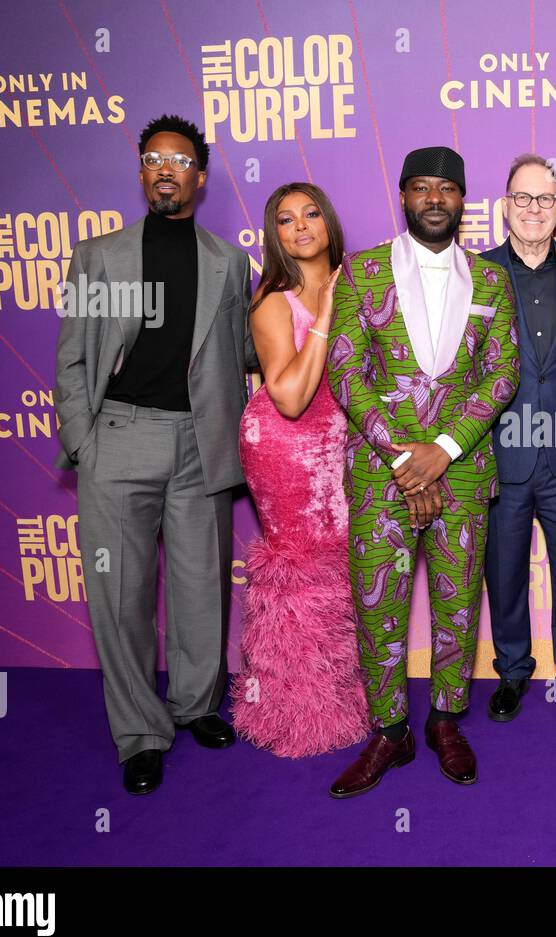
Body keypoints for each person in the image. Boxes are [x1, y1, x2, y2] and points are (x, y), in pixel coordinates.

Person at [53, 115, 255, 795]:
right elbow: (73, 354)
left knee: (202, 589)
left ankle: (196, 704)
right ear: (143, 171)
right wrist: (84, 442)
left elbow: (241, 357)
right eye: (152, 158)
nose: (164, 168)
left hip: (202, 444)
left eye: (179, 159)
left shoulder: (230, 261)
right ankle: (140, 732)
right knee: (120, 596)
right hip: (120, 440)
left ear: (199, 174)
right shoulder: (98, 255)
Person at [326, 146, 519, 797]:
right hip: (384, 473)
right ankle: (390, 730)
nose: (435, 198)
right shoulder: (361, 271)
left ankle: (445, 721)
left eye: (447, 188)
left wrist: (445, 448)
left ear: (462, 199)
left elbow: (502, 374)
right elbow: (345, 370)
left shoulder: (491, 282)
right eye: (421, 187)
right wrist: (405, 455)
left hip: (460, 469)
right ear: (404, 196)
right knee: (377, 604)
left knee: (458, 606)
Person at [228, 183, 369, 757]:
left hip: (340, 439)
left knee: (340, 562)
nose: (302, 226)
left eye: (312, 214)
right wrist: (327, 317)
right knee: (298, 567)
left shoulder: (358, 284)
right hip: (284, 444)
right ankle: (290, 711)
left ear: (329, 223)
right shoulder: (272, 299)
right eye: (286, 221)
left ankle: (340, 699)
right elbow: (288, 395)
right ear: (276, 236)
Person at [480, 154, 556, 740]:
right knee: (502, 574)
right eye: (522, 198)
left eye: (544, 199)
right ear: (504, 205)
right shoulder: (472, 273)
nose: (533, 209)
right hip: (498, 454)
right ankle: (511, 672)